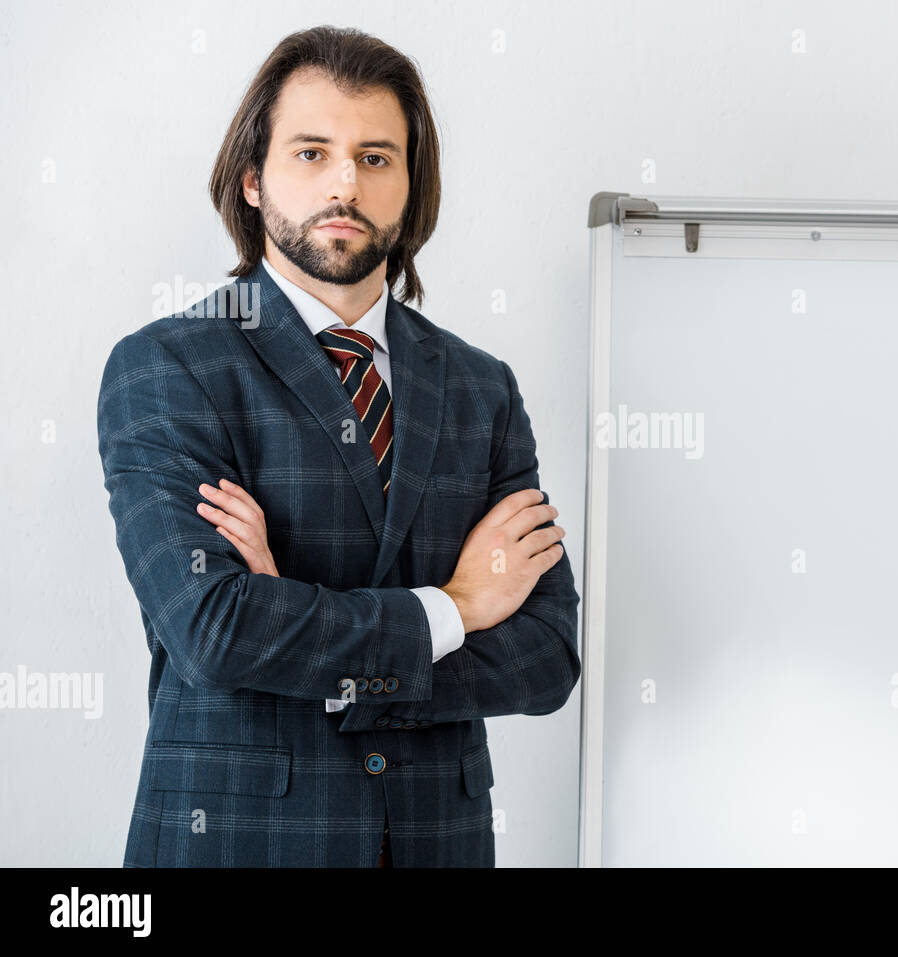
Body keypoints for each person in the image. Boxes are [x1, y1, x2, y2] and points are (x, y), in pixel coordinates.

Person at [96, 25, 580, 867]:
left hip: (438, 843)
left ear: (410, 183)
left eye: (377, 157)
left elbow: (546, 655)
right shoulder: (170, 366)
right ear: (253, 179)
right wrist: (455, 609)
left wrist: (301, 626)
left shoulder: (481, 387)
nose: (346, 183)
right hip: (240, 845)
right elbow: (215, 628)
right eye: (312, 153)